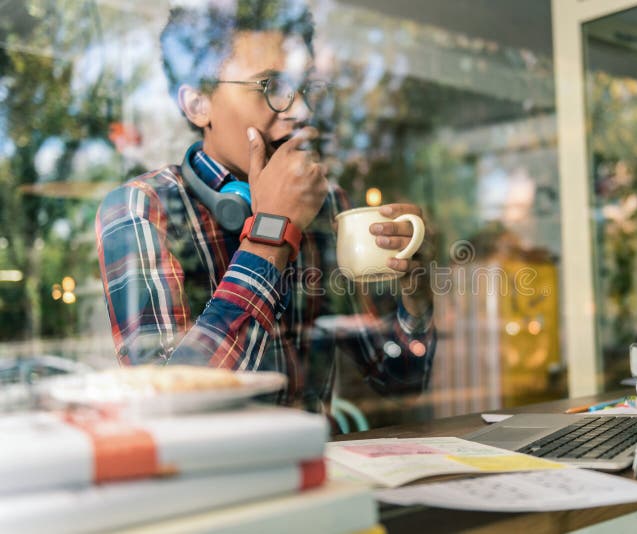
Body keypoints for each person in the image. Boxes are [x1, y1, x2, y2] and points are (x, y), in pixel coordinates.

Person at [95, 0, 435, 417]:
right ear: (198, 104)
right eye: (271, 86)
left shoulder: (328, 205)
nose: (302, 111)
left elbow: (400, 378)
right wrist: (273, 234)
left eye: (306, 88)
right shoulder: (143, 208)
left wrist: (414, 297)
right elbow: (169, 407)